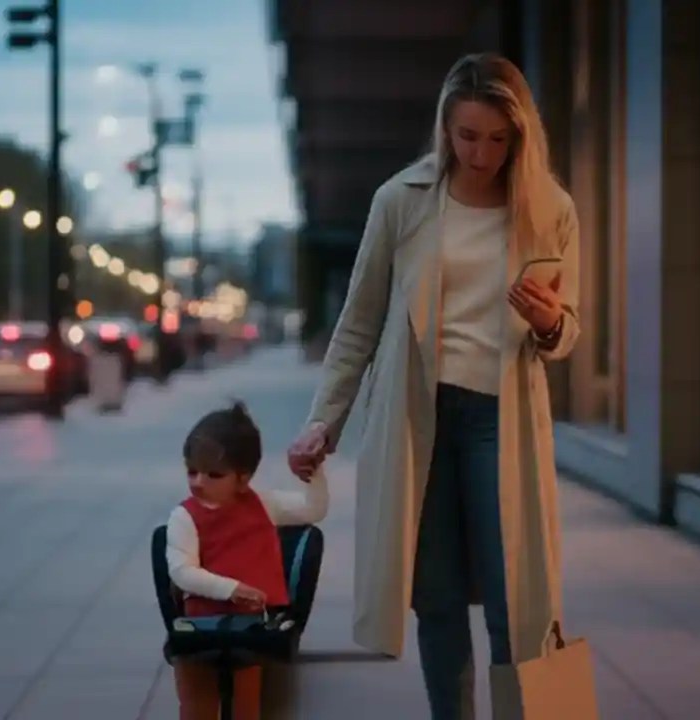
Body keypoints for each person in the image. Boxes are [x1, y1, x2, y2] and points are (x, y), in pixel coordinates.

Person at [287, 53, 581, 719]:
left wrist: (548, 322)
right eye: (468, 135)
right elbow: (358, 324)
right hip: (417, 420)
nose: (482, 154)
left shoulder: (552, 209)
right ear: (445, 128)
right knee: (437, 601)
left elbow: (569, 332)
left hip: (501, 422)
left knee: (519, 604)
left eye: (499, 139)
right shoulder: (401, 200)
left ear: (521, 135)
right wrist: (322, 422)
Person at [167, 400, 329, 720]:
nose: (199, 482)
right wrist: (232, 589)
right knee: (198, 705)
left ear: (243, 478)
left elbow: (313, 510)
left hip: (251, 628)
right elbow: (182, 571)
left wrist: (314, 473)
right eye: (192, 471)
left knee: (248, 705)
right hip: (201, 628)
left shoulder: (263, 504)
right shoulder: (184, 517)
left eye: (214, 474)